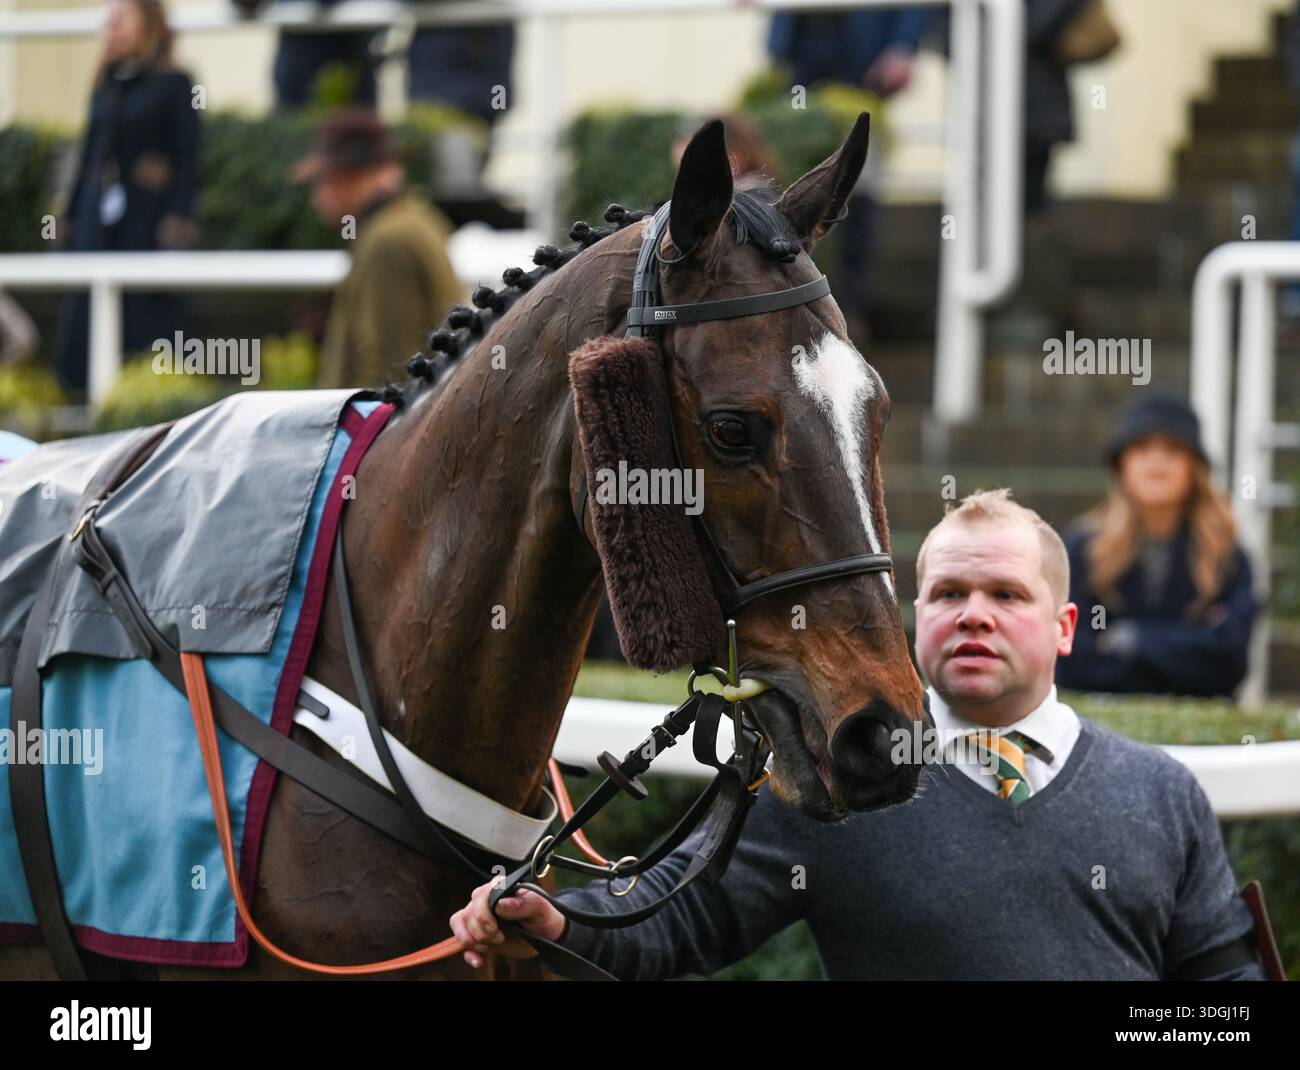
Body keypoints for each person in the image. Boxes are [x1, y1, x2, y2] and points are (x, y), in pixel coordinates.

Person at [449, 489, 1266, 981]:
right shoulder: (838, 781)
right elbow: (679, 918)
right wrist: (554, 920)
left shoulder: (1162, 795)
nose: (974, 613)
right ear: (915, 621)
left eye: (1006, 595)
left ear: (1063, 628)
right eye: (948, 592)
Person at [1056, 394, 1257, 698]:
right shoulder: (1083, 550)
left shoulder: (1226, 557)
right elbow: (1072, 661)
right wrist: (1188, 645)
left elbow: (1229, 663)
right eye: (1141, 447)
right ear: (1121, 463)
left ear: (1195, 467)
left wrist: (1131, 639)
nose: (1157, 460)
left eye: (1173, 449)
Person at [53, 0, 200, 397]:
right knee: (84, 313)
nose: (112, 28)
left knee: (143, 315)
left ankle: (142, 402)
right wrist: (67, 214)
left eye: (122, 19)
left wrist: (176, 215)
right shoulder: (108, 82)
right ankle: (81, 397)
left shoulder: (174, 82)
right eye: (109, 21)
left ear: (148, 24)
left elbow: (187, 157)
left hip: (144, 220)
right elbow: (90, 152)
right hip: (97, 221)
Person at [766, 7, 934, 339]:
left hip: (860, 61)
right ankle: (796, 305)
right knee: (794, 186)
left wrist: (902, 45)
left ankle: (848, 308)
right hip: (801, 56)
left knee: (855, 190)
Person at [293, 108, 465, 388]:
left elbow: (387, 372)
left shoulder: (387, 240)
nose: (317, 197)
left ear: (360, 175)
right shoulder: (411, 220)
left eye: (326, 180)